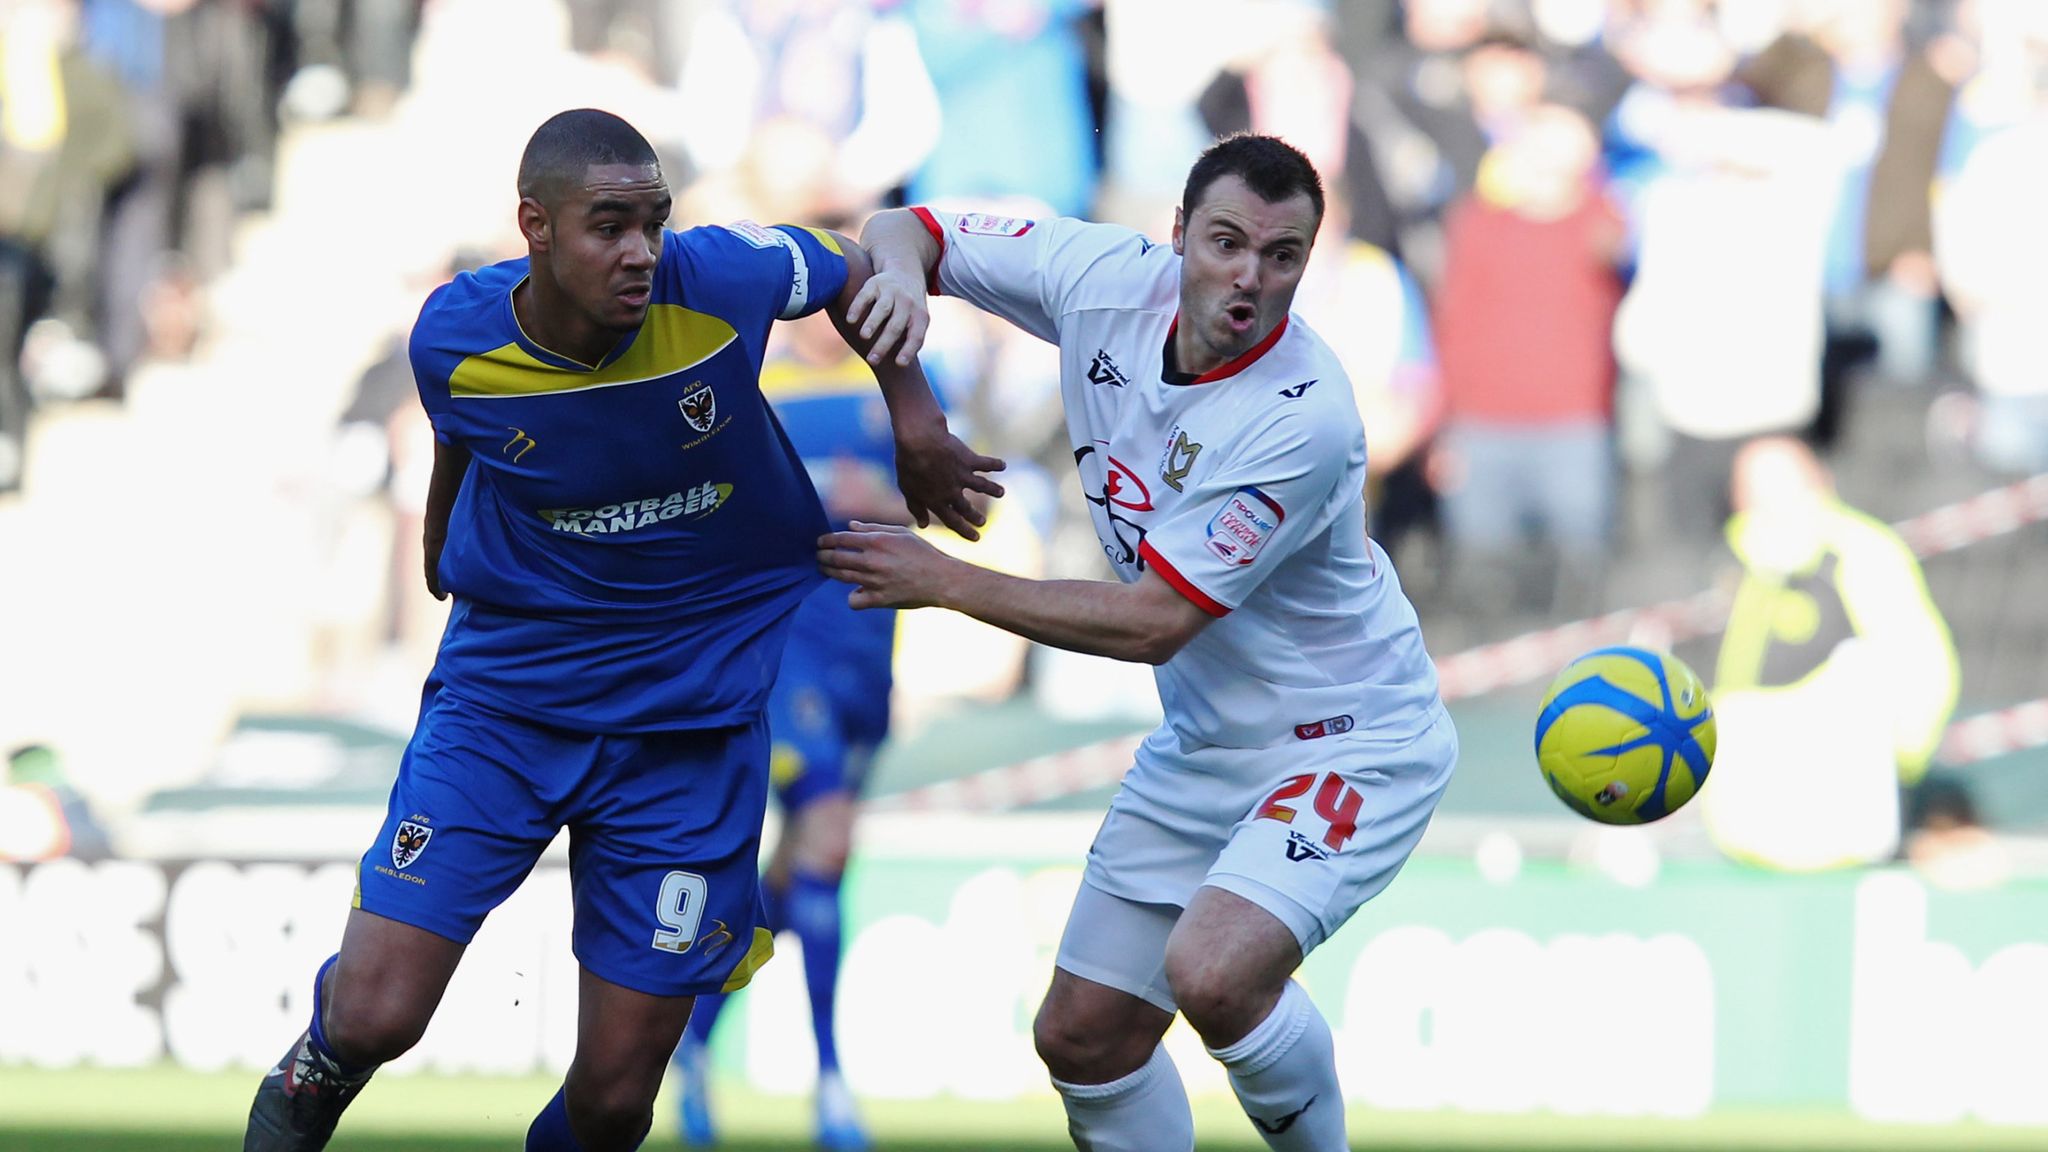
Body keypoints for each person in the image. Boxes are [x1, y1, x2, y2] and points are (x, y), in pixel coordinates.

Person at [241, 108, 1000, 1152]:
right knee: (376, 1016)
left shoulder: (721, 277)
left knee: (611, 1104)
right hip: (509, 708)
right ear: (535, 227)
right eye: (609, 225)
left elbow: (861, 261)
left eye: (653, 221)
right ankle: (310, 1076)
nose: (641, 250)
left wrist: (913, 419)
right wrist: (438, 548)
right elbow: (465, 437)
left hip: (686, 735)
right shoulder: (449, 335)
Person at [835, 134, 1458, 1152]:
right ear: (1174, 234)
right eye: (1224, 242)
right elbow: (902, 233)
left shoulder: (1304, 418)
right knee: (1082, 1039)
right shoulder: (1098, 279)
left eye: (1280, 256)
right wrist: (912, 395)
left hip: (1349, 739)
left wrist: (944, 581)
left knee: (1212, 972)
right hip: (1205, 743)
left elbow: (1156, 624)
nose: (1247, 276)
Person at [670, 312, 908, 1152]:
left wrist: (887, 503)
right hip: (787, 647)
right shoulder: (751, 387)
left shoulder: (903, 385)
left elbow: (946, 500)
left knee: (803, 867)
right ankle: (832, 1084)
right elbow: (705, 509)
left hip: (869, 651)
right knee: (829, 841)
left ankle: (691, 1046)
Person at [1701, 436, 1959, 873]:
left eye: (1785, 482)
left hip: (1844, 833)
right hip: (1740, 830)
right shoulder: (1727, 562)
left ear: (1819, 482)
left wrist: (1898, 766)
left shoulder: (1860, 553)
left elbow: (1924, 670)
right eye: (1754, 486)